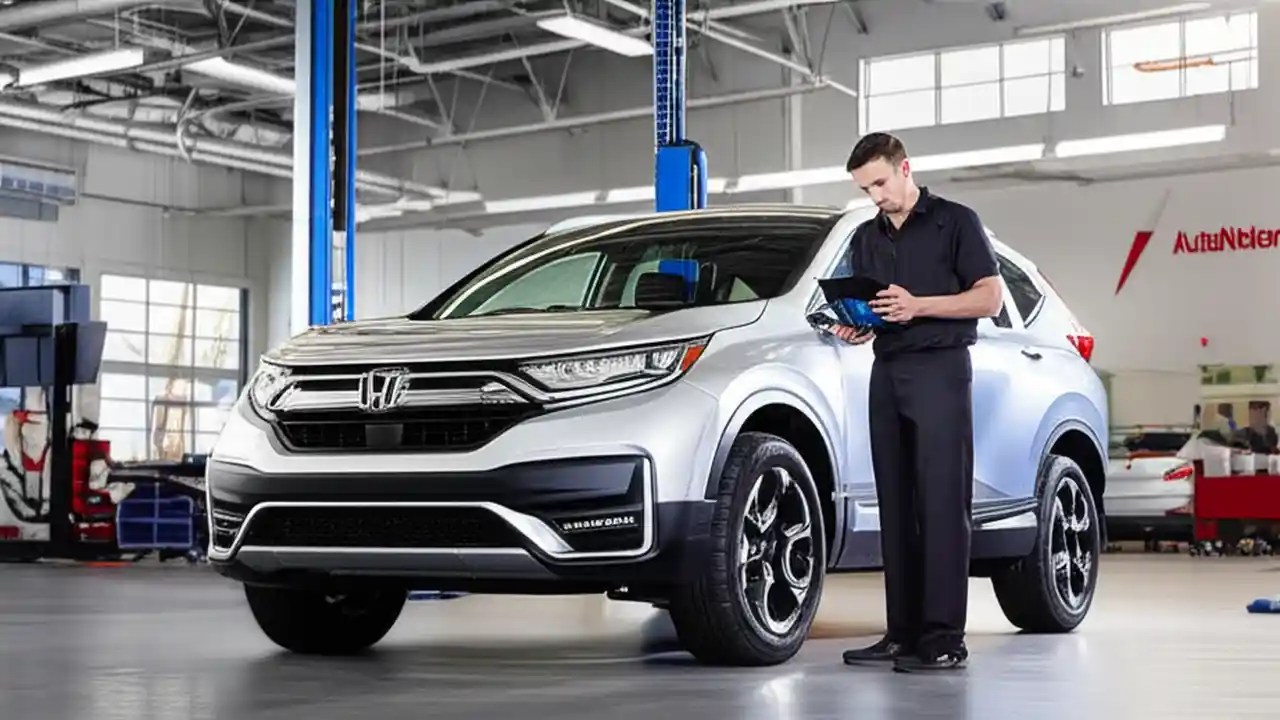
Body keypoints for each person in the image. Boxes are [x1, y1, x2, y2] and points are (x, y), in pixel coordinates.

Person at [833, 132, 1003, 672]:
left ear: (905, 168)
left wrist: (918, 306)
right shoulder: (866, 237)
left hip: (941, 369)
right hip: (887, 369)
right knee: (896, 504)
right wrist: (858, 323)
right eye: (865, 189)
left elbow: (990, 297)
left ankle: (944, 638)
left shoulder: (956, 221)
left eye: (880, 182)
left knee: (942, 503)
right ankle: (902, 633)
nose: (875, 195)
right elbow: (879, 305)